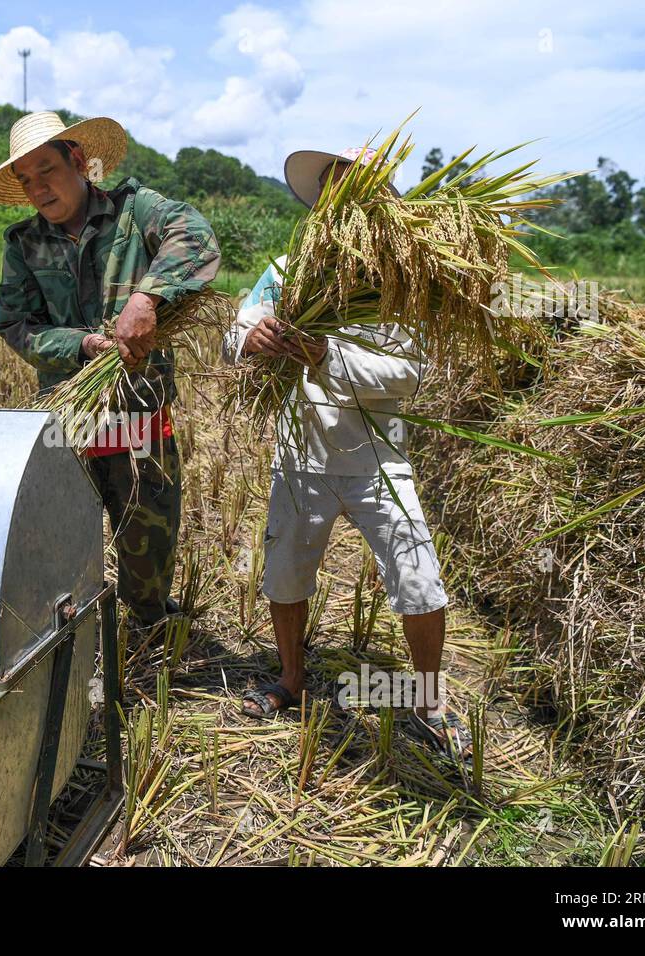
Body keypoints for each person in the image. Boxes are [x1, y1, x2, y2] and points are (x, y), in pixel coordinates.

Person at [221, 146, 470, 761]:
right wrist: (249, 338)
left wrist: (323, 357)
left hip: (378, 461)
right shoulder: (286, 274)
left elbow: (410, 373)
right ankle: (290, 681)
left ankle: (429, 701)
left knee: (418, 579)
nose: (343, 204)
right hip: (301, 454)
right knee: (285, 572)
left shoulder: (400, 286)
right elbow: (233, 336)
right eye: (333, 192)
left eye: (357, 191)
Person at [0, 110, 221, 633]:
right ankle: (73, 648)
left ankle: (149, 632)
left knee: (148, 547)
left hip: (139, 418)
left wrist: (148, 297)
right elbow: (15, 324)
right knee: (65, 548)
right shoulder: (24, 245)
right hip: (71, 418)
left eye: (48, 170)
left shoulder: (136, 212)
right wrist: (83, 344)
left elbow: (196, 237)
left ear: (80, 162)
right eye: (26, 180)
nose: (38, 188)